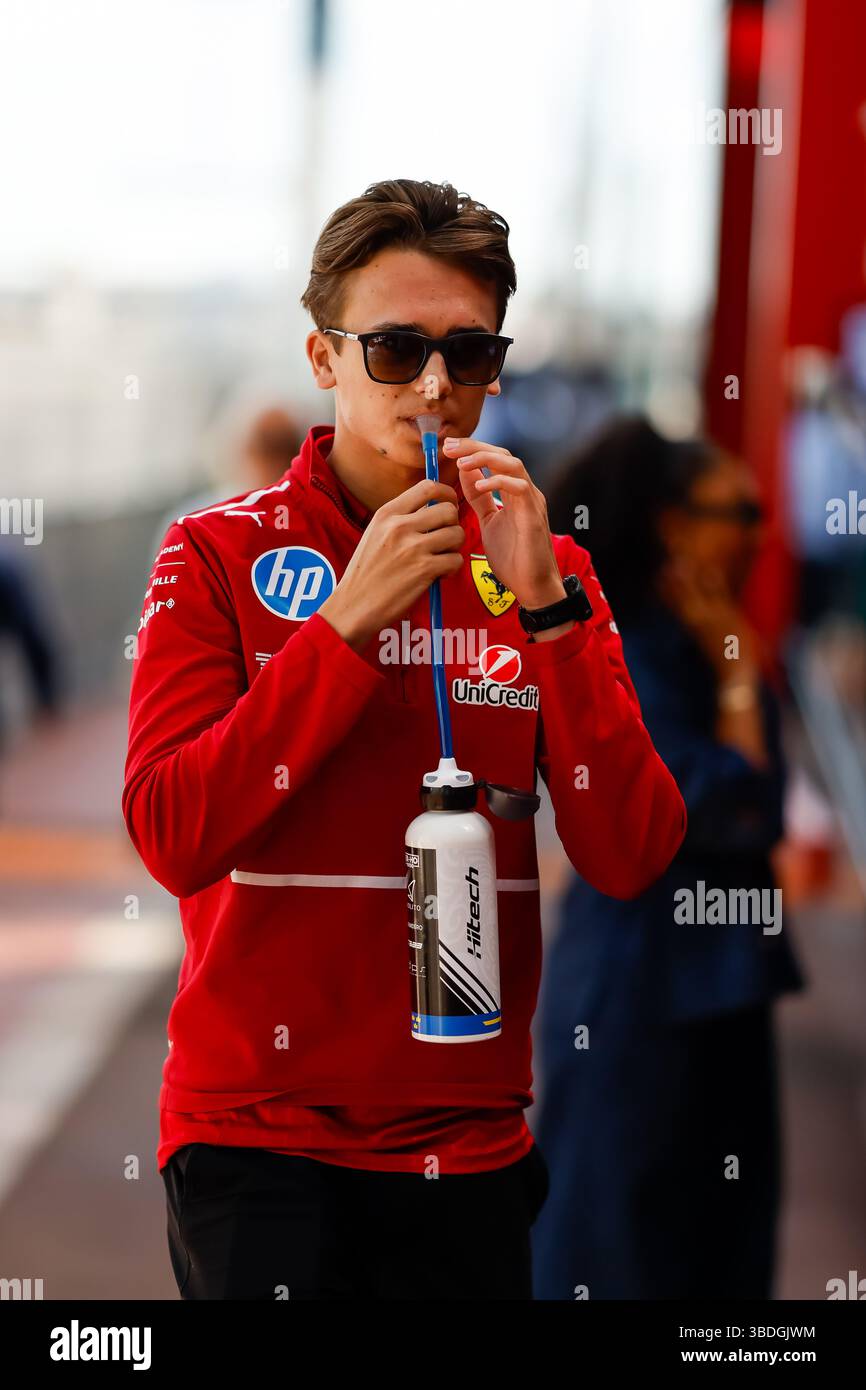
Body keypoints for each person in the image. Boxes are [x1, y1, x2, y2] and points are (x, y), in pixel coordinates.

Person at [122, 181, 686, 1301]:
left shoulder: (546, 571)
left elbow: (630, 853)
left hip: (467, 1139)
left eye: (468, 351)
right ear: (322, 356)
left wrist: (548, 615)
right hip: (257, 1133)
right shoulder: (215, 554)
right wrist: (341, 627)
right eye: (393, 347)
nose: (434, 385)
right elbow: (174, 833)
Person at [532, 415, 805, 1300]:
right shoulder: (632, 651)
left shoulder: (699, 640)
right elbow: (732, 811)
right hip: (637, 993)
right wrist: (736, 668)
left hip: (715, 984)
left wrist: (731, 657)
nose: (761, 532)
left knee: (721, 1243)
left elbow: (759, 796)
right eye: (742, 511)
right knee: (615, 1246)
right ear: (674, 525)